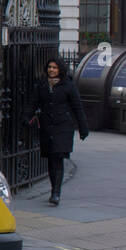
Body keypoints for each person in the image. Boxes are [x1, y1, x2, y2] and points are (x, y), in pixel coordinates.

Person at [31, 56, 89, 206]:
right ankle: (53, 188)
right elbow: (33, 103)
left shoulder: (68, 85)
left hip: (63, 127)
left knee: (57, 157)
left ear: (60, 69)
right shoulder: (42, 85)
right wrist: (26, 117)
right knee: (51, 159)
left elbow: (77, 107)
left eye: (55, 67)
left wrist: (83, 128)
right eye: (50, 67)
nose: (52, 70)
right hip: (47, 126)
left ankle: (56, 193)